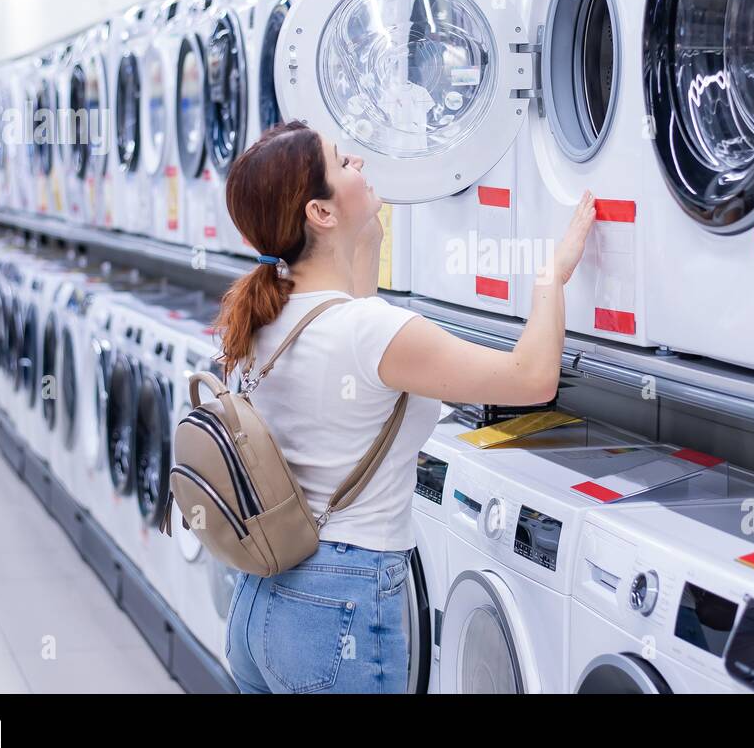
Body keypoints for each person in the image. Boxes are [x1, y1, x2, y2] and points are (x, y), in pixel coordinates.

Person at [214, 120, 595, 693]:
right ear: (320, 212)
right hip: (338, 601)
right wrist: (552, 276)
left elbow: (353, 347)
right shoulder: (371, 331)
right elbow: (534, 376)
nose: (360, 165)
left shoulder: (262, 320)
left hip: (258, 602)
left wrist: (363, 241)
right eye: (343, 164)